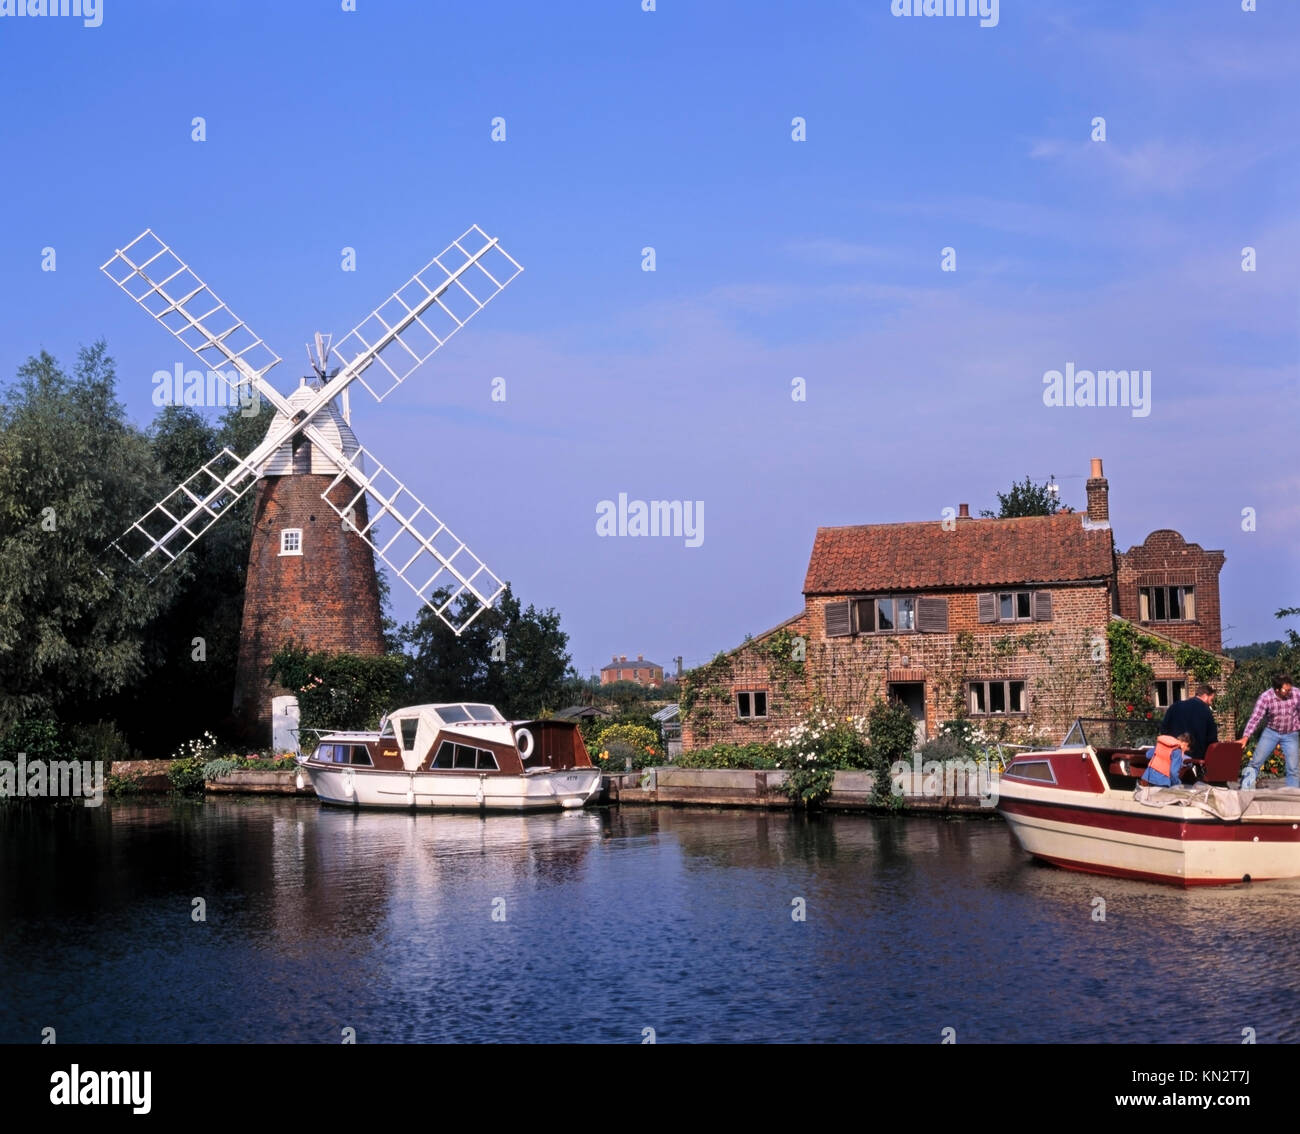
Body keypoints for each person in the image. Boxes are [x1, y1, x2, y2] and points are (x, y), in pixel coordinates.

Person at [1239, 674, 1300, 790]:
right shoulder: (1266, 697)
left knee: (1293, 767)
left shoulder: (1296, 694)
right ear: (1277, 689)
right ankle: (1245, 789)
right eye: (1286, 690)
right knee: (1256, 761)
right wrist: (1246, 737)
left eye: (1290, 689)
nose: (1289, 692)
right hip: (1271, 732)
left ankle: (1293, 794)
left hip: (1291, 733)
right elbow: (1255, 718)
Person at [1160, 684, 1218, 760]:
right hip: (1195, 758)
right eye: (1211, 700)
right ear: (1205, 696)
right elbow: (1211, 739)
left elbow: (1164, 730)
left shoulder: (1175, 706)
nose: (1211, 703)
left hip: (1173, 754)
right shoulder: (1206, 711)